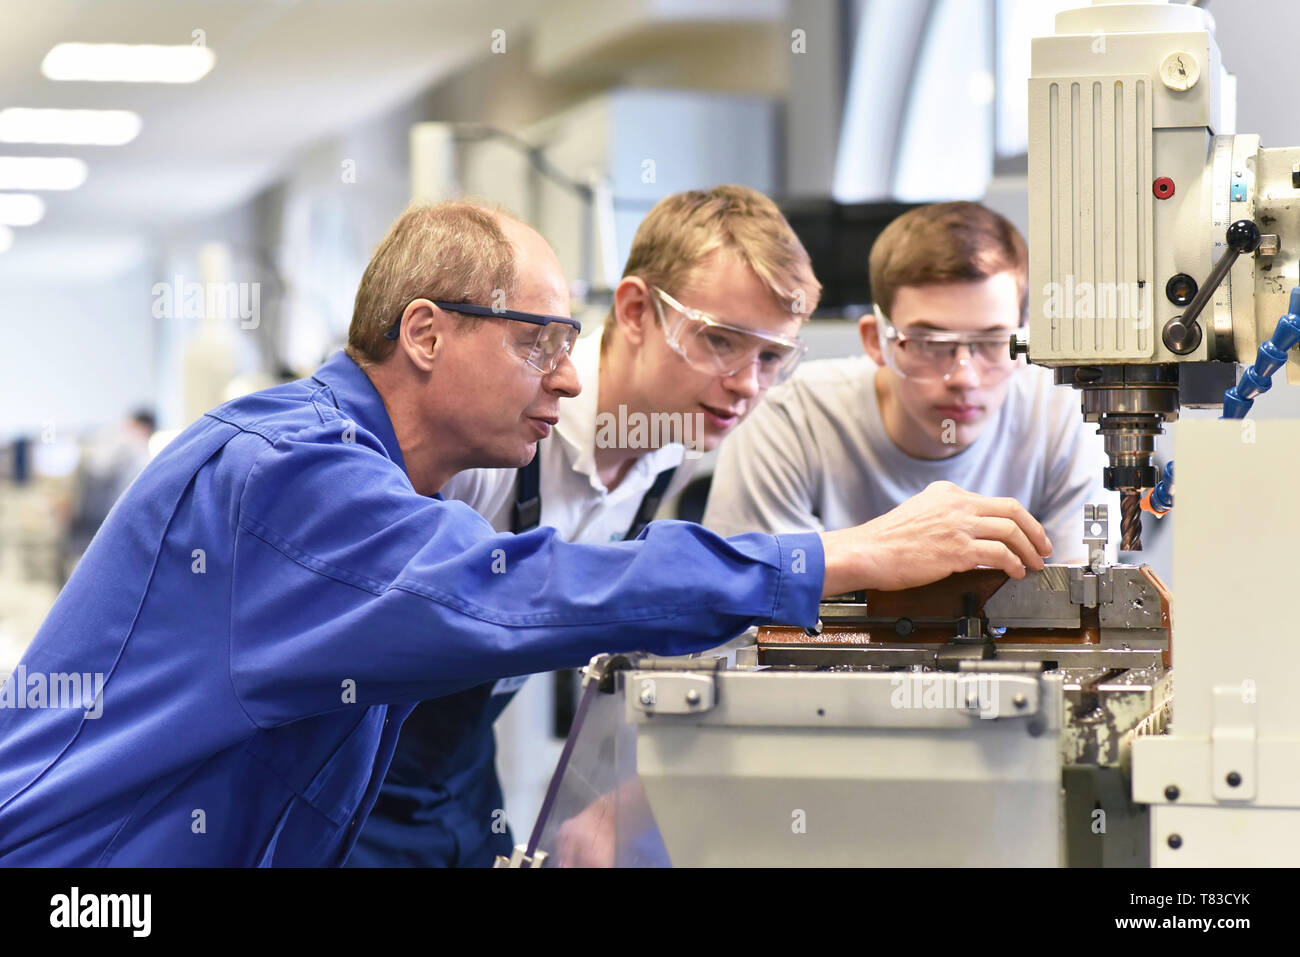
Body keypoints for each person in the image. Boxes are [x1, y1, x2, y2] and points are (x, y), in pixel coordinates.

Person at [0, 200, 1052, 866]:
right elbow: (501, 592)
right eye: (537, 343)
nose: (569, 376)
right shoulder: (293, 471)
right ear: (425, 333)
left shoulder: (372, 460)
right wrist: (835, 556)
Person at [352, 185, 821, 867]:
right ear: (634, 310)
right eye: (719, 341)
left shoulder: (676, 450)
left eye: (771, 357)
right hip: (362, 764)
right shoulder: (492, 427)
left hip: (460, 770)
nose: (746, 383)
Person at [705, 201, 1114, 563]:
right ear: (876, 341)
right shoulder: (790, 418)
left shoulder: (1063, 416)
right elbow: (755, 597)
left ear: (1026, 344)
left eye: (993, 343)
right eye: (929, 344)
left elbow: (1086, 594)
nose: (963, 377)